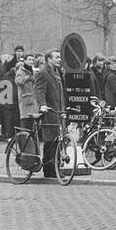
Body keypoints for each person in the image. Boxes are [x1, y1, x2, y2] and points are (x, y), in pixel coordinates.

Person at [34, 49, 64, 179]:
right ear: (49, 59)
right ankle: (49, 169)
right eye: (56, 57)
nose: (59, 59)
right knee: (50, 141)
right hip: (49, 111)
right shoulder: (43, 72)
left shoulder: (57, 72)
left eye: (59, 57)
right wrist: (42, 105)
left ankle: (55, 168)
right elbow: (39, 91)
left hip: (57, 111)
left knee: (57, 141)